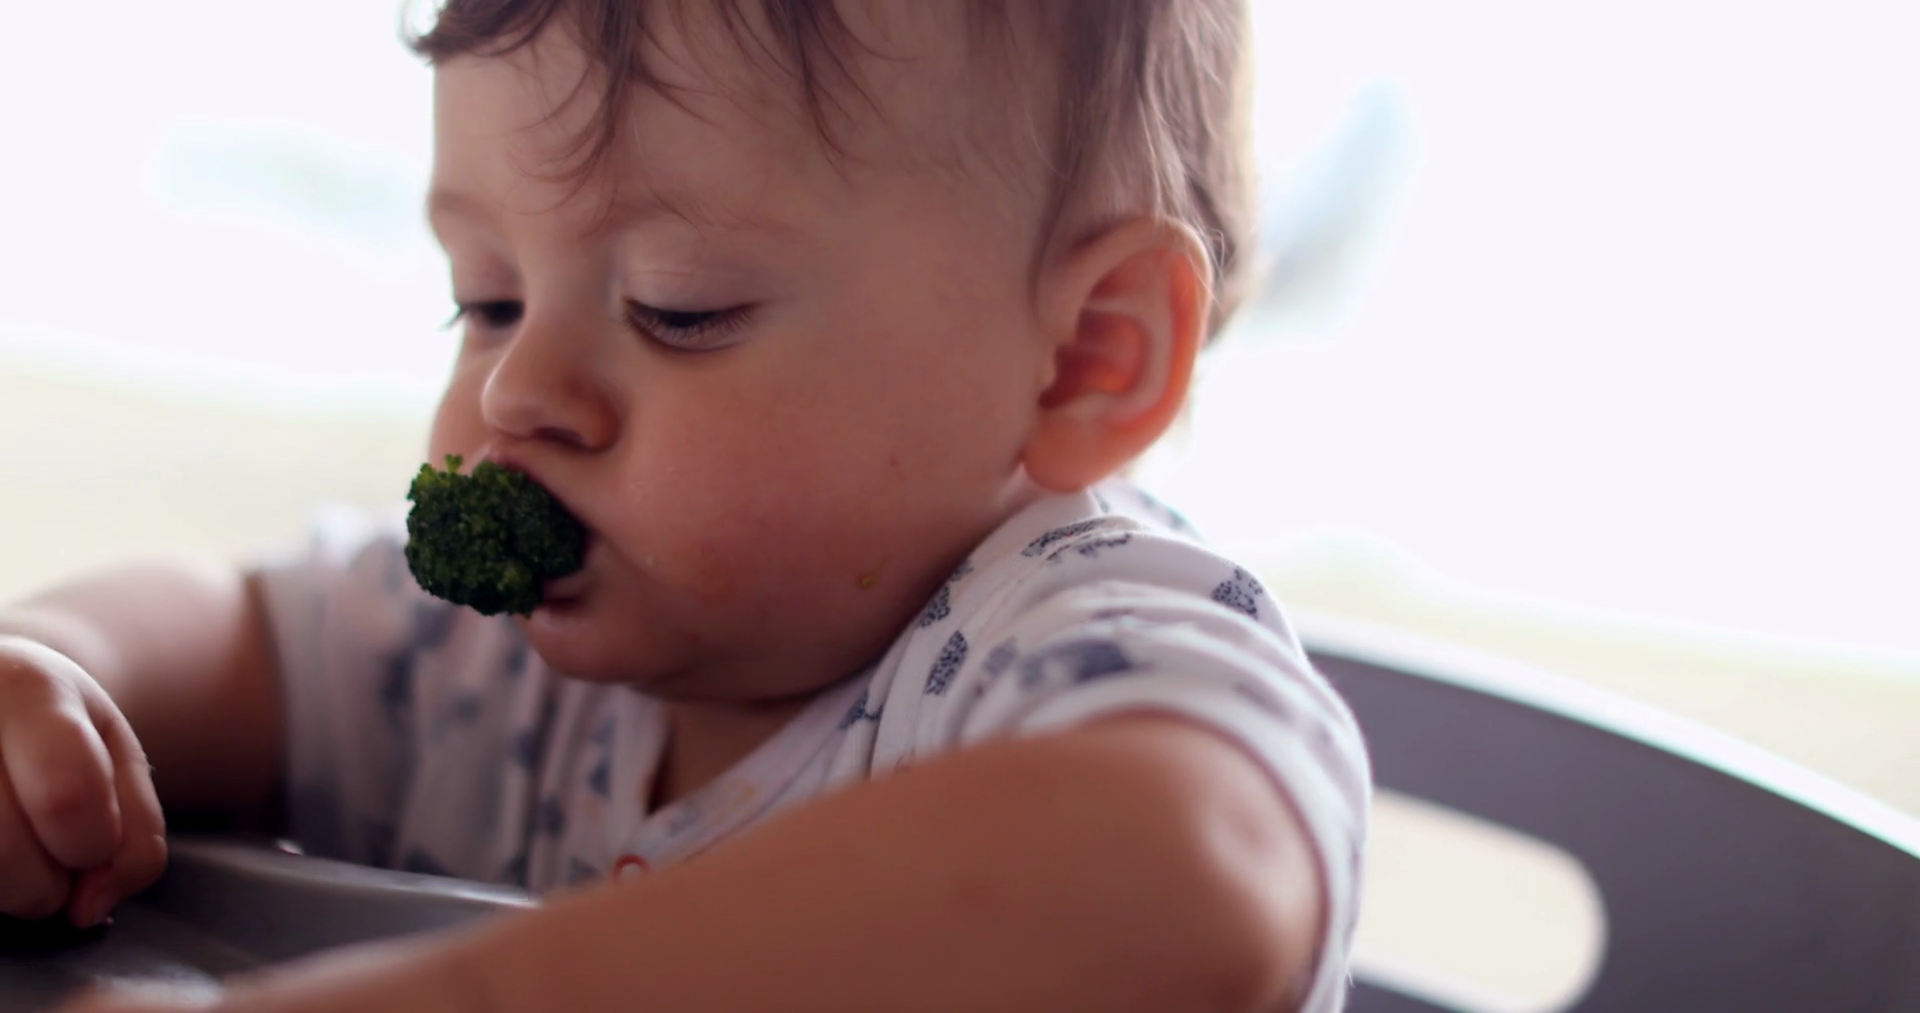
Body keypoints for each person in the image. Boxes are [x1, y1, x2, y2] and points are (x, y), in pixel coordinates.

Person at [0, 2, 1370, 1010]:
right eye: (488, 298)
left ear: (1085, 358)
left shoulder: (1068, 642)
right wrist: (53, 677)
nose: (517, 390)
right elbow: (238, 629)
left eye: (679, 309)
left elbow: (1195, 867)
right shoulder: (495, 668)